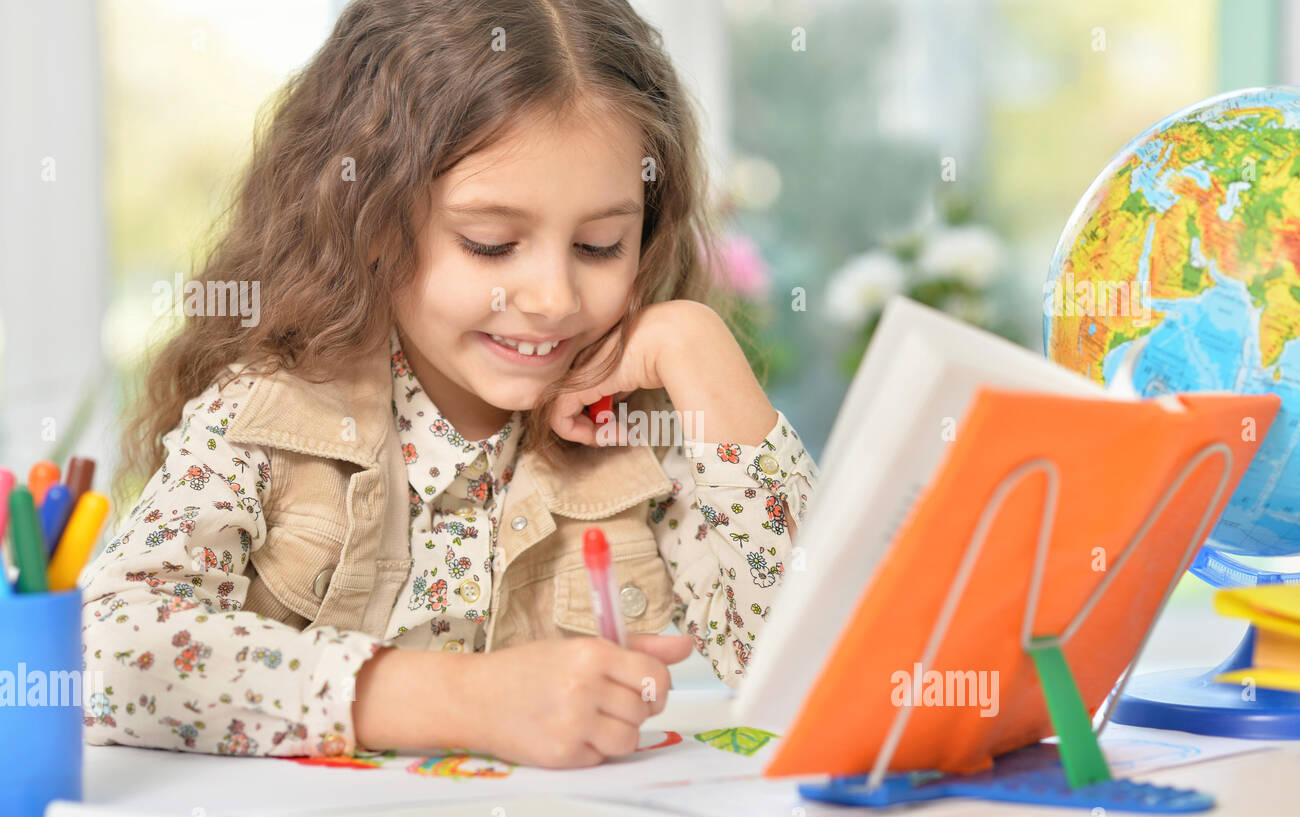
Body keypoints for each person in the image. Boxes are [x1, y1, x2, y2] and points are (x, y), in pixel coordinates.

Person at [82, 0, 818, 768]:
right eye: (491, 244)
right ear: (366, 220)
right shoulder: (267, 417)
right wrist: (463, 697)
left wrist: (700, 350)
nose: (554, 298)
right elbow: (104, 655)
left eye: (601, 245)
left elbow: (816, 666)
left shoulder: (641, 437)